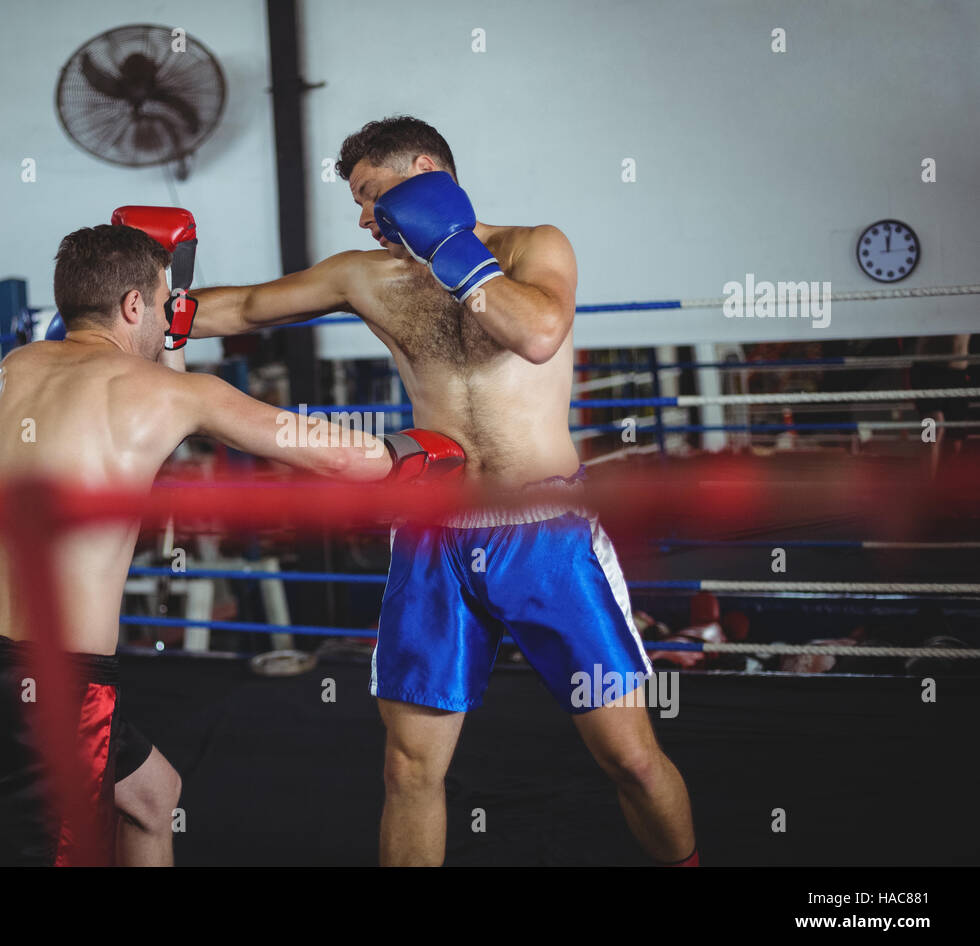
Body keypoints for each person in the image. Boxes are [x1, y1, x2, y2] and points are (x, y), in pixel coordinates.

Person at [188, 117, 698, 866]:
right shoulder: (364, 274)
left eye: (370, 195)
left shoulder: (532, 247)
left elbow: (539, 334)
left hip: (546, 530)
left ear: (424, 171)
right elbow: (245, 307)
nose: (362, 217)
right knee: (409, 768)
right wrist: (141, 309)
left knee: (630, 758)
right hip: (436, 533)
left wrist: (449, 248)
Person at [0, 209, 463, 866]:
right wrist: (424, 450)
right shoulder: (178, 394)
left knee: (153, 797)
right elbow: (344, 459)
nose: (174, 321)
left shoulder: (14, 371)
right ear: (134, 304)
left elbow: (132, 392)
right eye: (166, 308)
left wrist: (170, 288)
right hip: (58, 689)